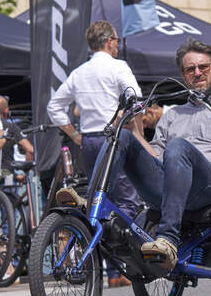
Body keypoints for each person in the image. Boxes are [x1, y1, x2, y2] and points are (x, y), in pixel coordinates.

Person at [101, 39, 211, 269]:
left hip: (210, 190)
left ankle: (168, 239)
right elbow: (156, 159)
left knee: (179, 146)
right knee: (120, 137)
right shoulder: (172, 116)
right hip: (171, 184)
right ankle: (93, 209)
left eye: (203, 67)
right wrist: (134, 132)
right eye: (190, 69)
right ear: (183, 76)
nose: (197, 73)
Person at [47, 22, 142, 215]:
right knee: (127, 198)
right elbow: (136, 96)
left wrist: (74, 135)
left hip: (88, 140)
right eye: (116, 40)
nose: (117, 45)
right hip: (114, 137)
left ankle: (97, 240)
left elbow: (53, 106)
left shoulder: (79, 72)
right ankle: (124, 243)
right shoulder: (117, 66)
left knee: (99, 197)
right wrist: (126, 114)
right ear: (108, 42)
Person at [0, 95, 34, 181]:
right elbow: (30, 150)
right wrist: (26, 173)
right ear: (6, 110)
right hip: (7, 173)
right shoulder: (11, 127)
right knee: (9, 193)